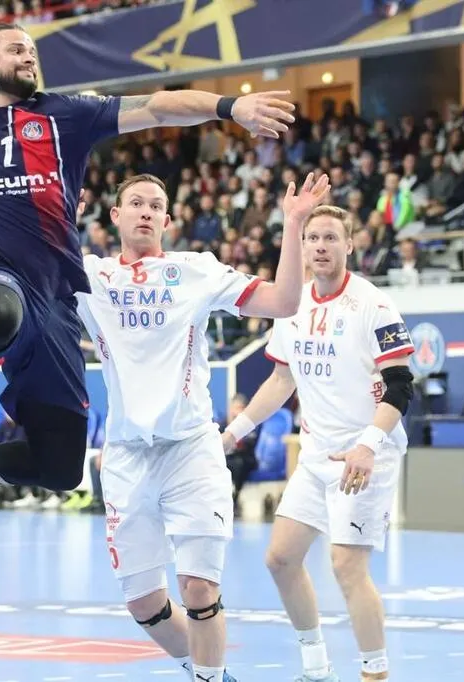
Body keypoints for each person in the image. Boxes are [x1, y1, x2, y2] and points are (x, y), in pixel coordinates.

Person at [0, 22, 296, 526]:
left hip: (55, 299)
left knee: (60, 465)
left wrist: (229, 107)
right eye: (17, 49)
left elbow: (156, 107)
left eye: (33, 51)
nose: (29, 57)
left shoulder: (65, 115)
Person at [75, 172, 328, 682]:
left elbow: (284, 301)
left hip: (191, 449)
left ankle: (209, 677)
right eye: (136, 203)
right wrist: (61, 214)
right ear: (115, 216)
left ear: (167, 220)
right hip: (125, 455)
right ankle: (210, 674)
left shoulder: (195, 271)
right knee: (143, 602)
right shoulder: (87, 276)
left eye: (156, 205)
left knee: (198, 589)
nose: (146, 212)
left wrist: (294, 223)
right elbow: (28, 256)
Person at [221, 205, 416, 682]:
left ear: (349, 245)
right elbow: (280, 380)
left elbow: (401, 386)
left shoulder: (373, 305)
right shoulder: (291, 305)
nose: (321, 246)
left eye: (331, 237)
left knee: (346, 566)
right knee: (280, 559)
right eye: (313, 238)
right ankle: (316, 666)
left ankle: (375, 673)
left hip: (366, 454)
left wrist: (368, 445)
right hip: (316, 454)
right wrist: (233, 433)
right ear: (302, 246)